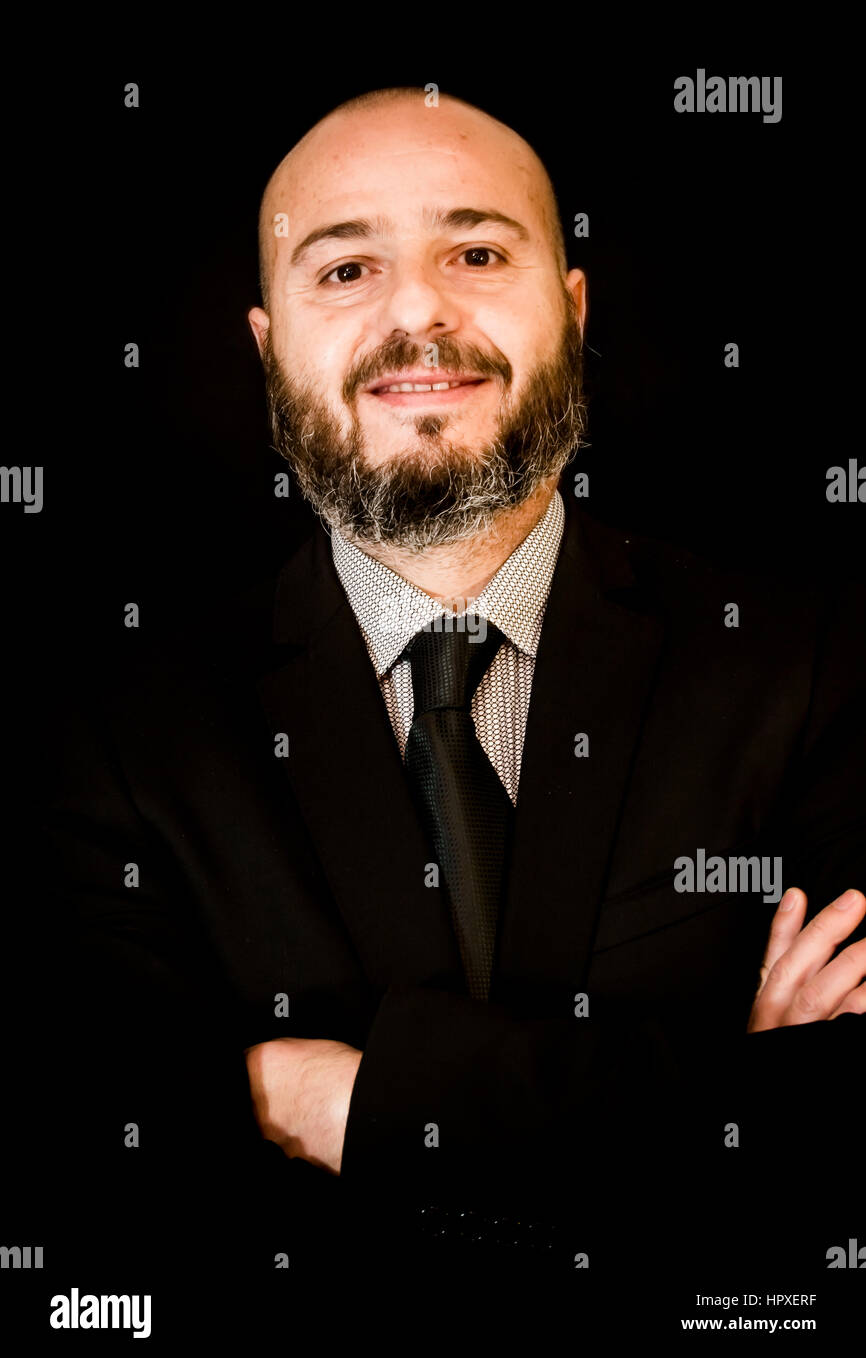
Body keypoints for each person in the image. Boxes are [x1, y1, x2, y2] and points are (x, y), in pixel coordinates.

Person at [42, 87, 864, 1297]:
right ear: (268, 347)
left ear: (572, 308)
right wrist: (710, 1101)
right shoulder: (104, 727)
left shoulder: (814, 662)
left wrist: (324, 1099)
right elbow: (111, 1199)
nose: (418, 311)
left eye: (475, 253)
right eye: (346, 270)